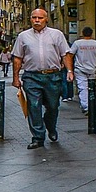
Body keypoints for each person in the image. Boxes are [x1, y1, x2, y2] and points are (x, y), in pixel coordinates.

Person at [11, 9, 73, 150]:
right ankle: (38, 137)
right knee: (33, 106)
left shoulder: (57, 35)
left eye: (40, 18)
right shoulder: (23, 36)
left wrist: (69, 71)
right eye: (34, 17)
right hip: (32, 76)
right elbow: (17, 58)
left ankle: (50, 126)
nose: (37, 20)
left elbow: (65, 54)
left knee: (52, 106)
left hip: (53, 76)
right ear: (30, 19)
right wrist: (16, 77)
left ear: (46, 19)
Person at [68, 26, 96, 113]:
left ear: (82, 33)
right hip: (93, 69)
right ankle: (89, 105)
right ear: (91, 33)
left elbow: (70, 56)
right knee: (91, 88)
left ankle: (86, 107)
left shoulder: (77, 43)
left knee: (83, 88)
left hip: (80, 69)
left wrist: (70, 69)